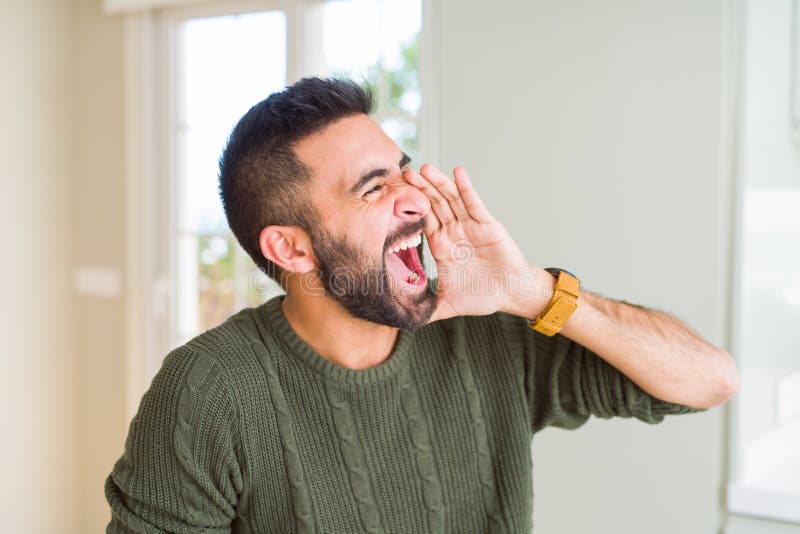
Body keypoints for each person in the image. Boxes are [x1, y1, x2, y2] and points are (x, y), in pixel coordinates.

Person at [105, 77, 739, 533]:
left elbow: (710, 380)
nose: (417, 200)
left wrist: (534, 292)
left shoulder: (492, 332)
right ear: (292, 250)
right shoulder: (210, 389)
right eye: (374, 187)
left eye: (403, 171)